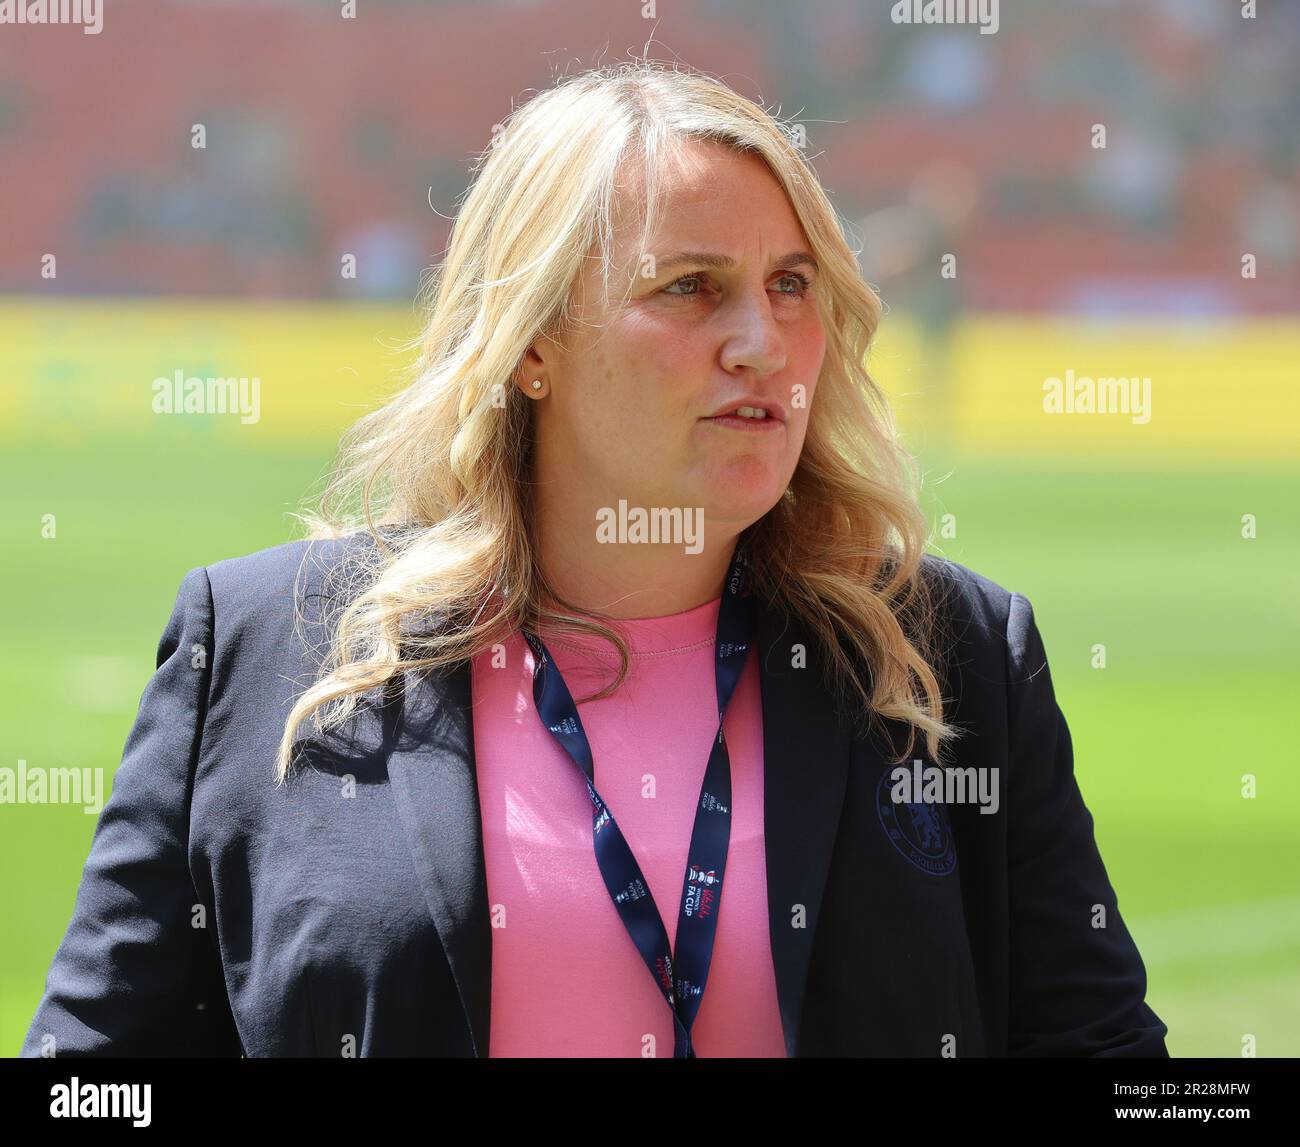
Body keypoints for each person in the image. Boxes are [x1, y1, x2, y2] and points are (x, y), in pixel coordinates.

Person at [20, 61, 1167, 1059]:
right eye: (689, 288)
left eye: (790, 284)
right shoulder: (262, 647)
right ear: (529, 344)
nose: (762, 342)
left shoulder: (946, 651)